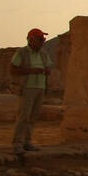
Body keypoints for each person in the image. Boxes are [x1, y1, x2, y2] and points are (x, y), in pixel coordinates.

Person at [9, 28, 53, 156]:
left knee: (33, 117)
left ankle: (27, 142)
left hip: (40, 87)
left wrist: (47, 71)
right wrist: (30, 71)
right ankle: (17, 143)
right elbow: (12, 70)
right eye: (40, 40)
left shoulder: (43, 54)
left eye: (43, 40)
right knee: (24, 116)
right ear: (31, 39)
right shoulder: (22, 53)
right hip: (26, 87)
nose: (42, 42)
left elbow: (48, 67)